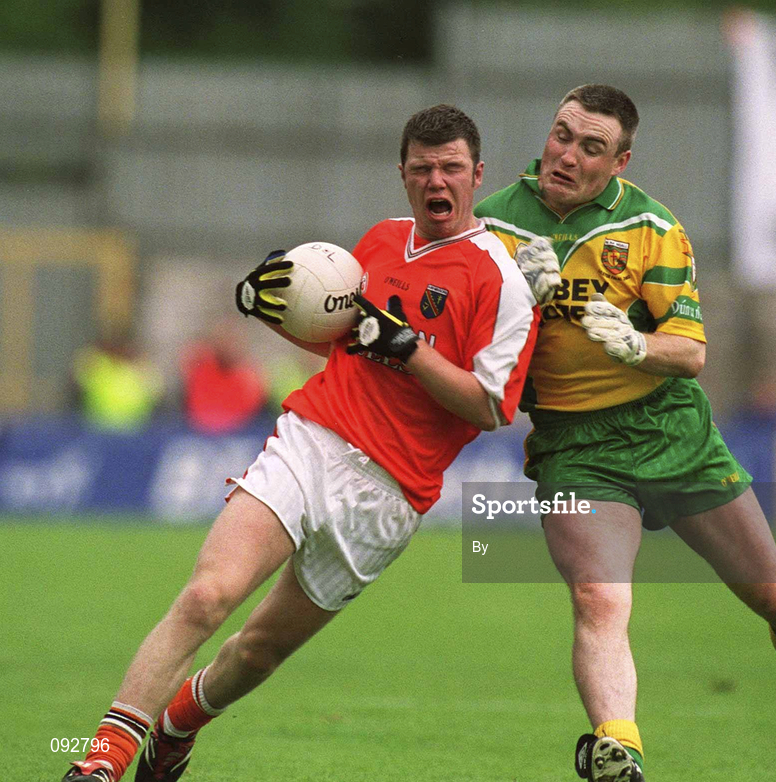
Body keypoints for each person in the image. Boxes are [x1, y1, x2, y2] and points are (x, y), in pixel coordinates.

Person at [62, 104, 539, 782]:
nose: (438, 179)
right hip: (312, 439)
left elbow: (491, 405)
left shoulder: (501, 280)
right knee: (207, 595)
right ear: (403, 175)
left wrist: (407, 350)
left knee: (257, 651)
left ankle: (175, 728)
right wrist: (272, 309)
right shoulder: (377, 242)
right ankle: (102, 762)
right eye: (423, 167)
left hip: (388, 497)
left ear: (476, 174)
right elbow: (341, 337)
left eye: (452, 168)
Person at [475, 84, 776, 782]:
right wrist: (511, 300)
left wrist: (635, 344)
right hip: (574, 446)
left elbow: (692, 351)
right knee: (600, 595)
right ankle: (621, 752)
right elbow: (471, 351)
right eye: (561, 134)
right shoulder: (491, 227)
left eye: (591, 147)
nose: (567, 154)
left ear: (619, 161)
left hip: (669, 431)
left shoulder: (652, 226)